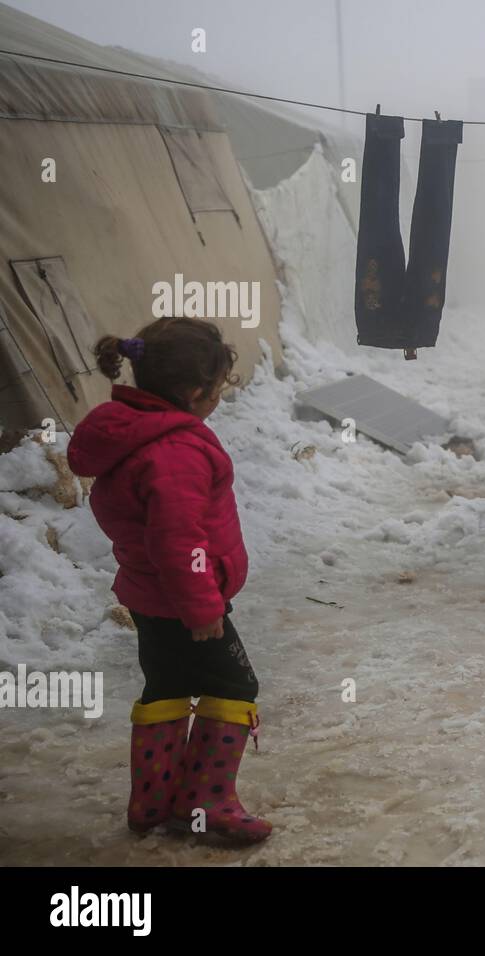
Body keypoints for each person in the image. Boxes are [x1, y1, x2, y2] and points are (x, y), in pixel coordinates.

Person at [67, 317, 271, 843]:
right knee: (235, 685)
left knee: (169, 685)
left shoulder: (130, 428)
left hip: (150, 597)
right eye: (219, 389)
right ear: (194, 390)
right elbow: (179, 544)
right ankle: (207, 803)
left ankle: (153, 802)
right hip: (186, 602)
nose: (219, 399)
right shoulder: (174, 450)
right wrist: (202, 608)